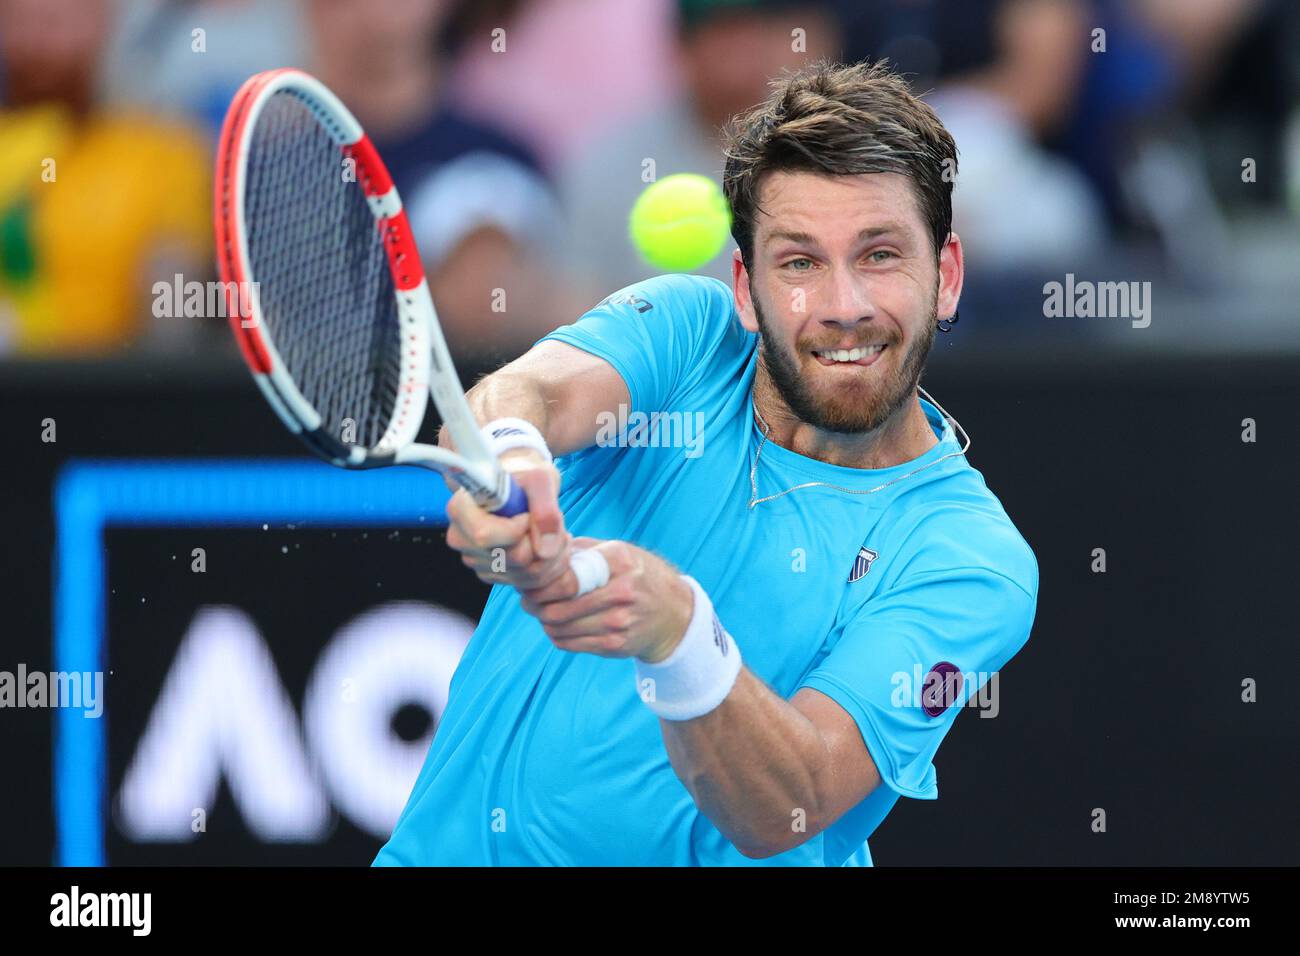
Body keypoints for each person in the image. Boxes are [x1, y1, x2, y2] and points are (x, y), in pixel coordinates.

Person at [375, 60, 1038, 866]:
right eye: (798, 262)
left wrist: (680, 634)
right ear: (744, 289)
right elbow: (526, 396)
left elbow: (792, 805)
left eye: (880, 255)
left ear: (947, 277)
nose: (843, 307)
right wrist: (514, 460)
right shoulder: (686, 336)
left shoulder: (970, 558)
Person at [557, 0, 840, 304]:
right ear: (683, 48)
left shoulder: (822, 142)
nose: (736, 51)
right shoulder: (610, 162)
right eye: (718, 34)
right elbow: (578, 299)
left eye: (746, 31)